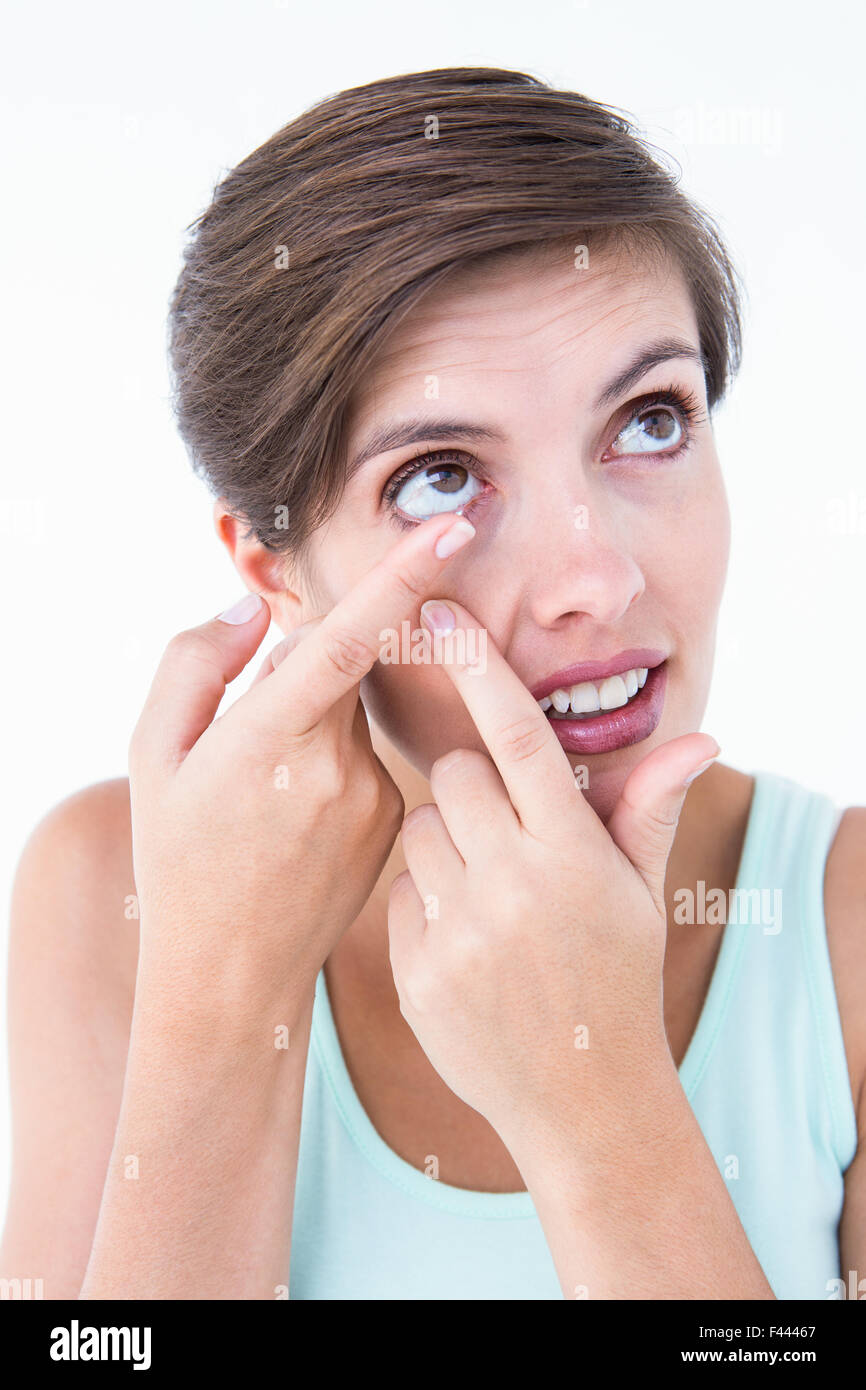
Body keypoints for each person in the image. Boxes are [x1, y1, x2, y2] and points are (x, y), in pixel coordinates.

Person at [2, 67, 864, 1301]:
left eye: (649, 420)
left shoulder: (840, 927)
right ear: (276, 570)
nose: (595, 580)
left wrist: (598, 1104)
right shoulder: (113, 888)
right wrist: (223, 1000)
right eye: (441, 477)